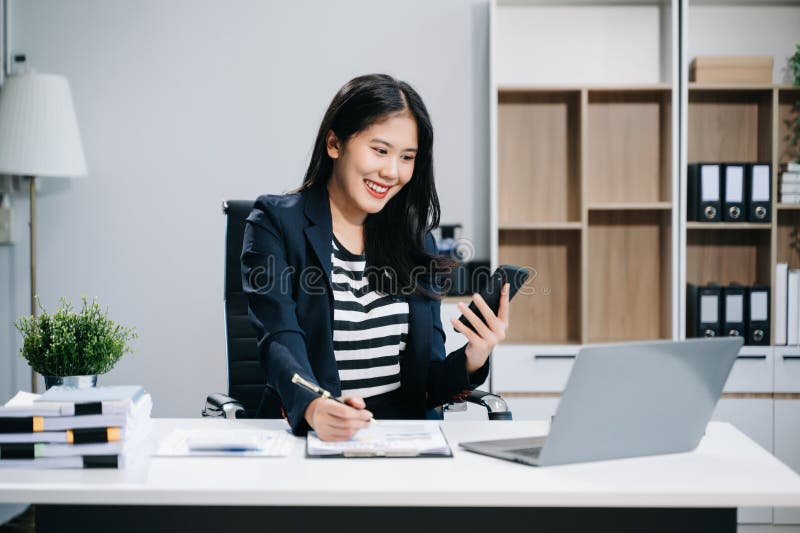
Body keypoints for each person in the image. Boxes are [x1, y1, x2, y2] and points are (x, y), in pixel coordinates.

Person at [241, 74, 510, 441]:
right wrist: (316, 406)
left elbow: (426, 383)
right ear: (335, 143)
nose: (392, 172)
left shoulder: (416, 242)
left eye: (407, 157)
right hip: (312, 437)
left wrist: (473, 357)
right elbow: (279, 340)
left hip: (403, 444)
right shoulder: (274, 223)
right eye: (380, 150)